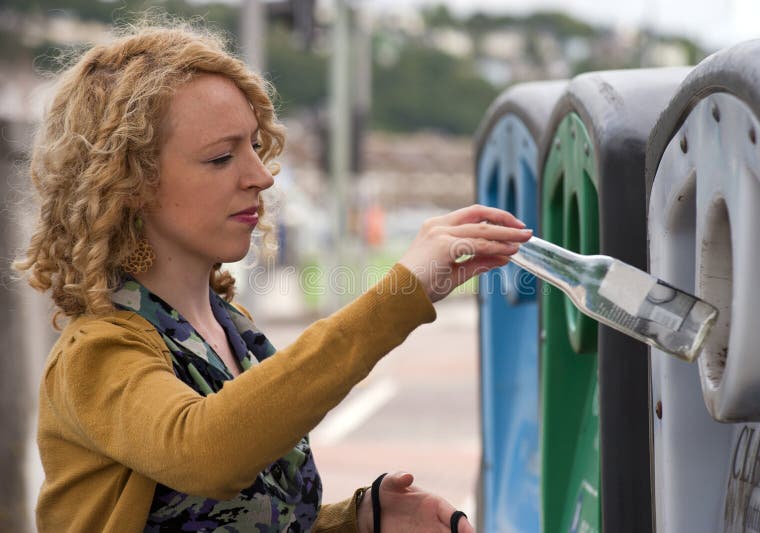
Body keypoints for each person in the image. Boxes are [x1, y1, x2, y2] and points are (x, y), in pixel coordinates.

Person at [14, 22, 532, 533]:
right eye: (221, 157)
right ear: (130, 183)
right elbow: (205, 450)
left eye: (255, 148)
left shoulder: (230, 326)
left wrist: (356, 520)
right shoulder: (96, 351)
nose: (261, 176)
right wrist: (403, 290)